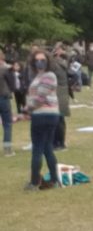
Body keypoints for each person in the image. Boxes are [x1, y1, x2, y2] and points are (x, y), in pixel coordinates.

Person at [23, 49, 60, 191]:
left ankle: (34, 182)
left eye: (42, 60)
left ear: (48, 61)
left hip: (43, 115)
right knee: (47, 148)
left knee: (38, 149)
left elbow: (40, 98)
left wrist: (27, 109)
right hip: (47, 115)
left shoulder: (48, 76)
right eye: (37, 60)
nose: (39, 62)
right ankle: (54, 180)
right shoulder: (39, 76)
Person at [0, 50, 14, 156]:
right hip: (3, 97)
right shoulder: (5, 69)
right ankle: (7, 148)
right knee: (7, 124)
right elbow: (11, 83)